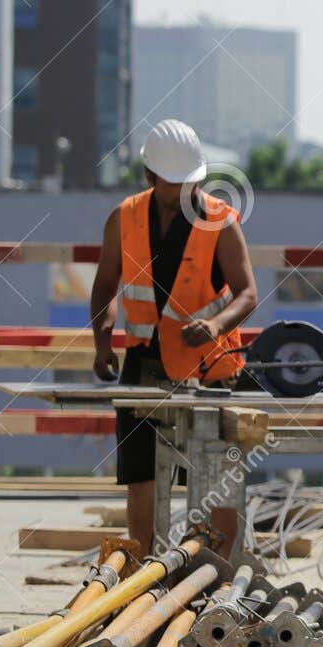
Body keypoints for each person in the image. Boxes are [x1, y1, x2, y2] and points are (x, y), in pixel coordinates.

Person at [89, 118, 259, 558]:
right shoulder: (123, 219)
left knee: (211, 483)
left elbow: (247, 293)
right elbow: (106, 284)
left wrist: (217, 327)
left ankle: (212, 574)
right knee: (141, 479)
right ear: (149, 177)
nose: (184, 193)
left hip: (208, 374)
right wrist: (102, 340)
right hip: (143, 369)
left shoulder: (219, 223)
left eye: (191, 183)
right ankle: (142, 575)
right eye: (174, 184)